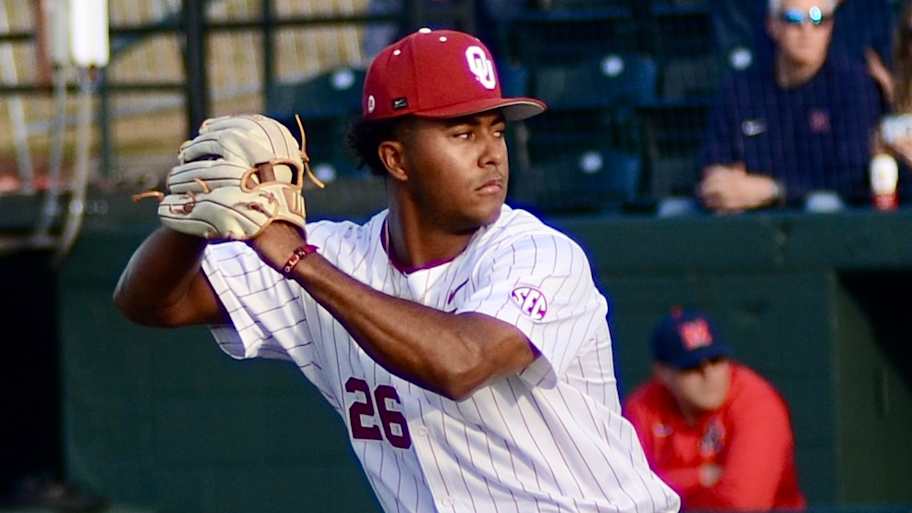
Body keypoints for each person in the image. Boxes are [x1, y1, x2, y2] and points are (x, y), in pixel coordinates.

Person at [114, 28, 679, 513]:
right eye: (463, 133)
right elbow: (152, 303)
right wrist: (189, 227)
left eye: (497, 130)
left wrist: (297, 261)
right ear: (396, 158)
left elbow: (460, 363)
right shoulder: (337, 255)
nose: (492, 153)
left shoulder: (538, 254)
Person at [698, 0, 884, 212]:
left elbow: (853, 176)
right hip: (746, 215)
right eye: (794, 19)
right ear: (772, 25)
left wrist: (775, 190)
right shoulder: (740, 87)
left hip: (821, 222)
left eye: (818, 19)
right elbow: (713, 158)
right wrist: (721, 184)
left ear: (831, 26)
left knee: (823, 205)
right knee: (675, 210)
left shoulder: (854, 85)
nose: (806, 30)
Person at [624, 308, 806, 512]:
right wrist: (699, 477)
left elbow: (743, 505)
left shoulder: (756, 403)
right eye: (691, 367)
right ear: (663, 373)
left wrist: (663, 486)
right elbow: (621, 492)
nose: (708, 374)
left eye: (716, 360)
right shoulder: (644, 407)